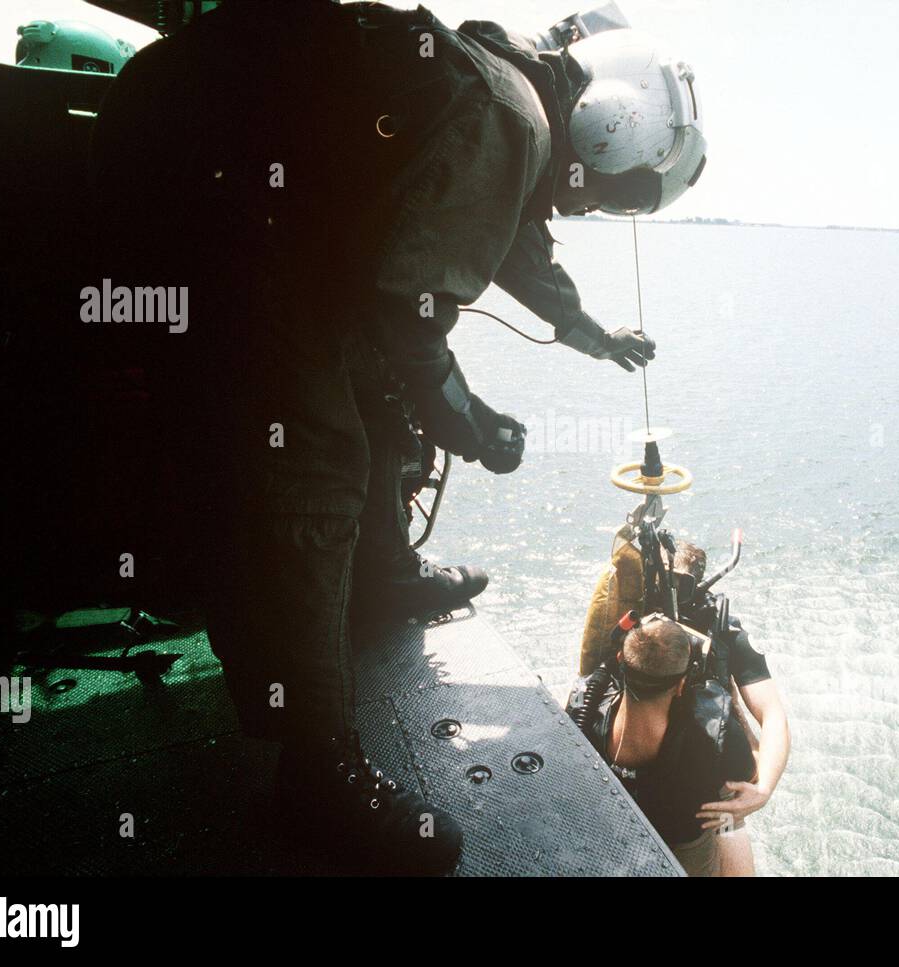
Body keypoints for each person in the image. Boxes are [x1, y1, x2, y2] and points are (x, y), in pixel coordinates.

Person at [87, 0, 706, 875]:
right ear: (611, 128)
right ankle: (318, 775)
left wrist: (596, 338)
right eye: (604, 193)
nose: (590, 205)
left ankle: (381, 579)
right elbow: (406, 314)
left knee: (370, 398)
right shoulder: (503, 115)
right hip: (188, 209)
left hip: (198, 183)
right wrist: (472, 419)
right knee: (319, 461)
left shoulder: (507, 95)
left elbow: (517, 247)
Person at [567, 615, 755, 876]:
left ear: (621, 661)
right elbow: (748, 777)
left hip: (610, 829)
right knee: (730, 817)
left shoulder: (585, 704)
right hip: (683, 838)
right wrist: (732, 702)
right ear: (680, 685)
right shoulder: (715, 731)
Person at [672, 542, 790, 876]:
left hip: (711, 776)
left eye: (681, 584)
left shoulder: (724, 632)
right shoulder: (636, 622)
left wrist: (763, 788)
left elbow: (773, 714)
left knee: (729, 826)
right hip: (651, 771)